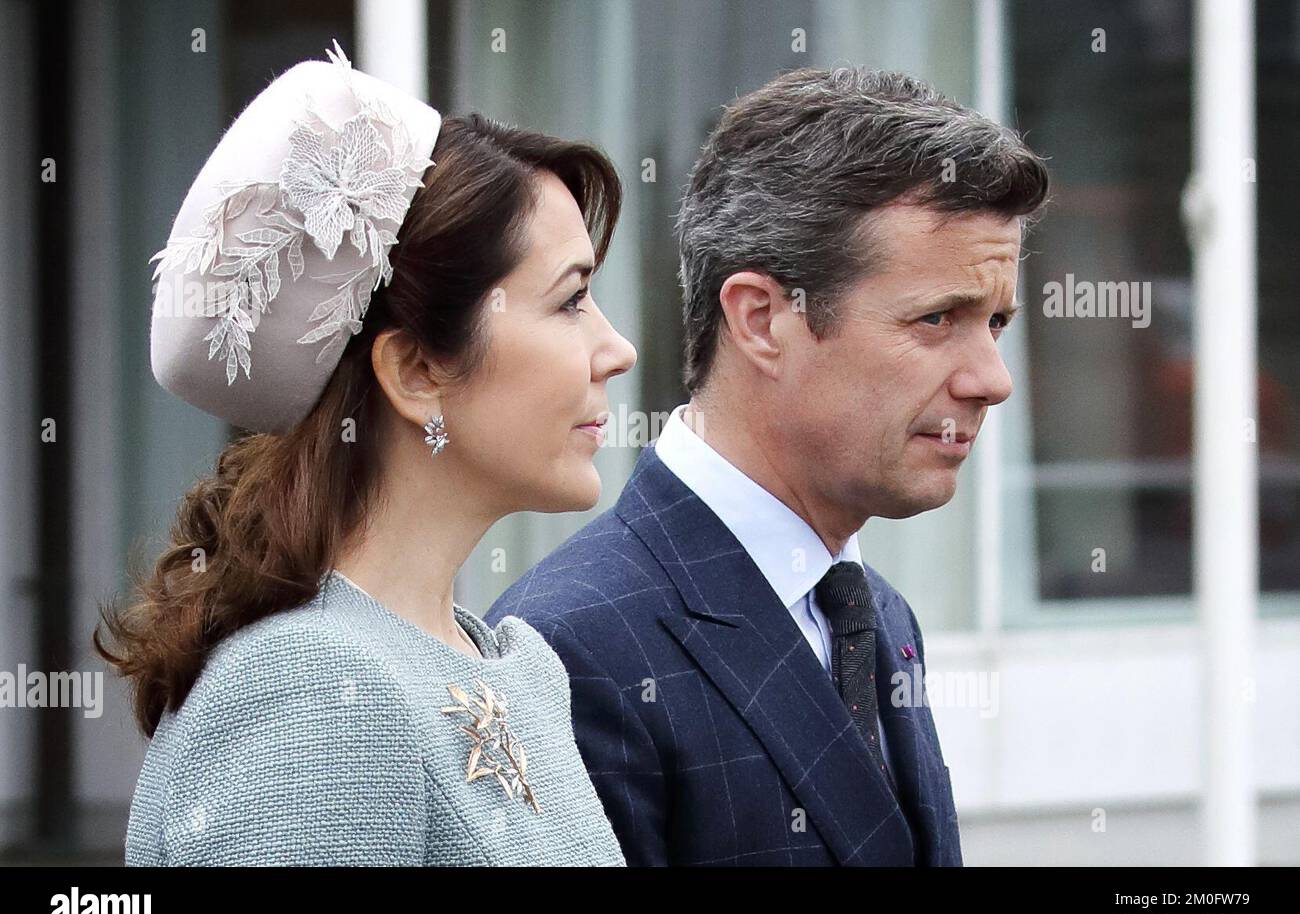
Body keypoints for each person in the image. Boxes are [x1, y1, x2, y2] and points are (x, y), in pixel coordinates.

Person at [488, 67, 1050, 866]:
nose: (992, 379)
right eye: (937, 318)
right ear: (761, 319)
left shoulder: (875, 616)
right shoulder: (567, 652)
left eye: (995, 321)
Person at [95, 41, 636, 866]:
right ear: (416, 370)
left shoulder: (521, 666)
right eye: (570, 301)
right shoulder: (315, 687)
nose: (618, 349)